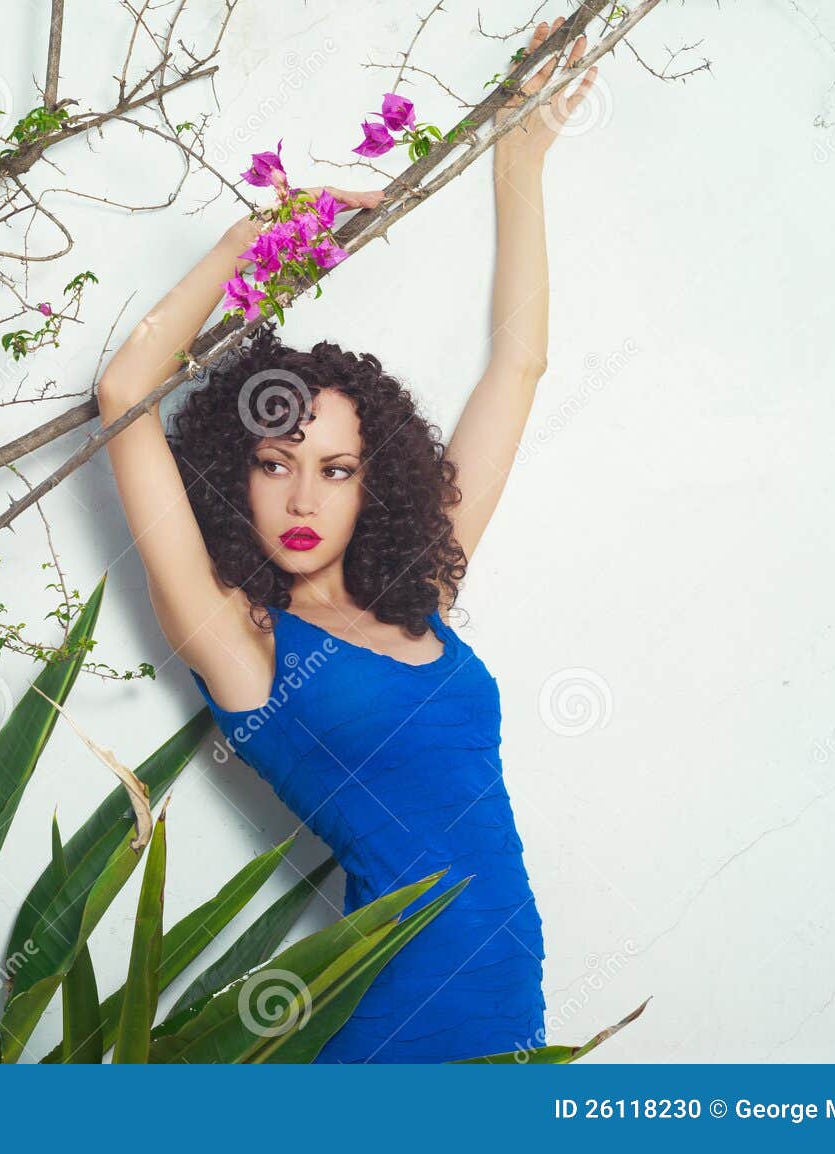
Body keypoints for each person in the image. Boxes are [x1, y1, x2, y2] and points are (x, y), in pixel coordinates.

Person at [95, 20, 596, 1062]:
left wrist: (518, 156)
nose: (300, 495)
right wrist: (244, 242)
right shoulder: (243, 643)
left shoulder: (418, 593)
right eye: (273, 463)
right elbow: (122, 391)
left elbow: (517, 367)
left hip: (506, 987)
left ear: (375, 485)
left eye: (334, 468)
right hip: (392, 1010)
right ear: (236, 480)